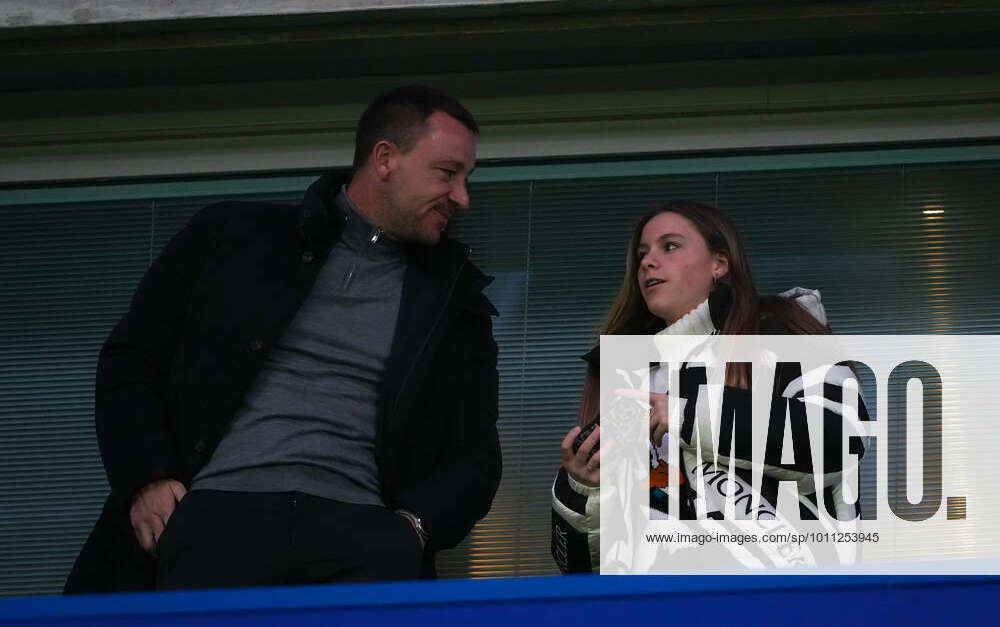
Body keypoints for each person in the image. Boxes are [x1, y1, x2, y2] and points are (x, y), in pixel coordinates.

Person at [64, 85, 501, 592]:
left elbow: (476, 457)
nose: (463, 198)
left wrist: (412, 528)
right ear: (385, 159)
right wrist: (147, 480)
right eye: (448, 174)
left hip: (365, 538)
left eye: (467, 179)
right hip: (215, 519)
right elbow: (131, 361)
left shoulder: (456, 303)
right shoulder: (231, 238)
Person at [550, 200, 867, 573]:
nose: (648, 262)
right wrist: (585, 488)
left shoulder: (779, 330)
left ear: (720, 263)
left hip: (781, 602)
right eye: (642, 254)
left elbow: (840, 439)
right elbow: (584, 571)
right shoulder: (629, 376)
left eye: (670, 246)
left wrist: (686, 414)